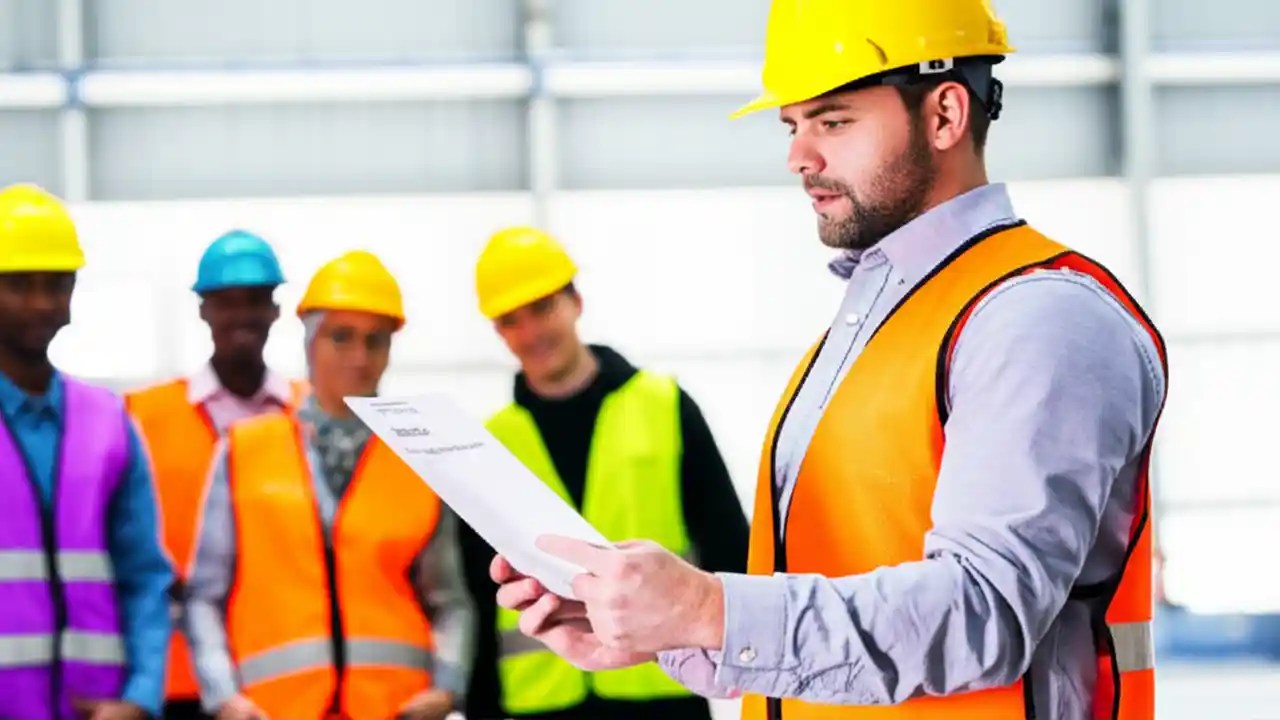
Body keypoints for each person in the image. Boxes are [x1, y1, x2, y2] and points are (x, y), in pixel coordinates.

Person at [488, 1, 1169, 719]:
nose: (798, 157)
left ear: (944, 115)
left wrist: (708, 607)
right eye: (792, 125)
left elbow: (984, 613)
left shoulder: (1034, 316)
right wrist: (669, 631)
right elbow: (831, 609)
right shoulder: (878, 327)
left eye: (833, 120)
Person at [462, 226, 749, 720]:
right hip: (539, 702)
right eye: (511, 320)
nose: (531, 332)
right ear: (498, 331)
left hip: (663, 688)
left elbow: (731, 548)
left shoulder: (665, 406)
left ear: (575, 299)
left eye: (543, 307)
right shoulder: (489, 442)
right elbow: (476, 592)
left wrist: (753, 666)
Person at [181, 250, 475, 720]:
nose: (360, 357)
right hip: (274, 710)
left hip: (395, 709)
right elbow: (204, 597)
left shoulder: (419, 461)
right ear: (309, 343)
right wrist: (224, 698)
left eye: (376, 341)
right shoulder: (243, 450)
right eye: (342, 338)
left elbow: (450, 600)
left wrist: (447, 689)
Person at [0, 183, 172, 720]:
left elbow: (144, 576)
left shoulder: (108, 422)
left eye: (57, 284)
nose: (41, 302)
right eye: (18, 284)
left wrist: (140, 699)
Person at [125, 229, 308, 720]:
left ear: (275, 309)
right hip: (177, 677)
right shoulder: (145, 416)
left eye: (255, 300)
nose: (242, 316)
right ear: (203, 309)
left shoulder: (310, 415)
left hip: (284, 675)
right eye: (225, 302)